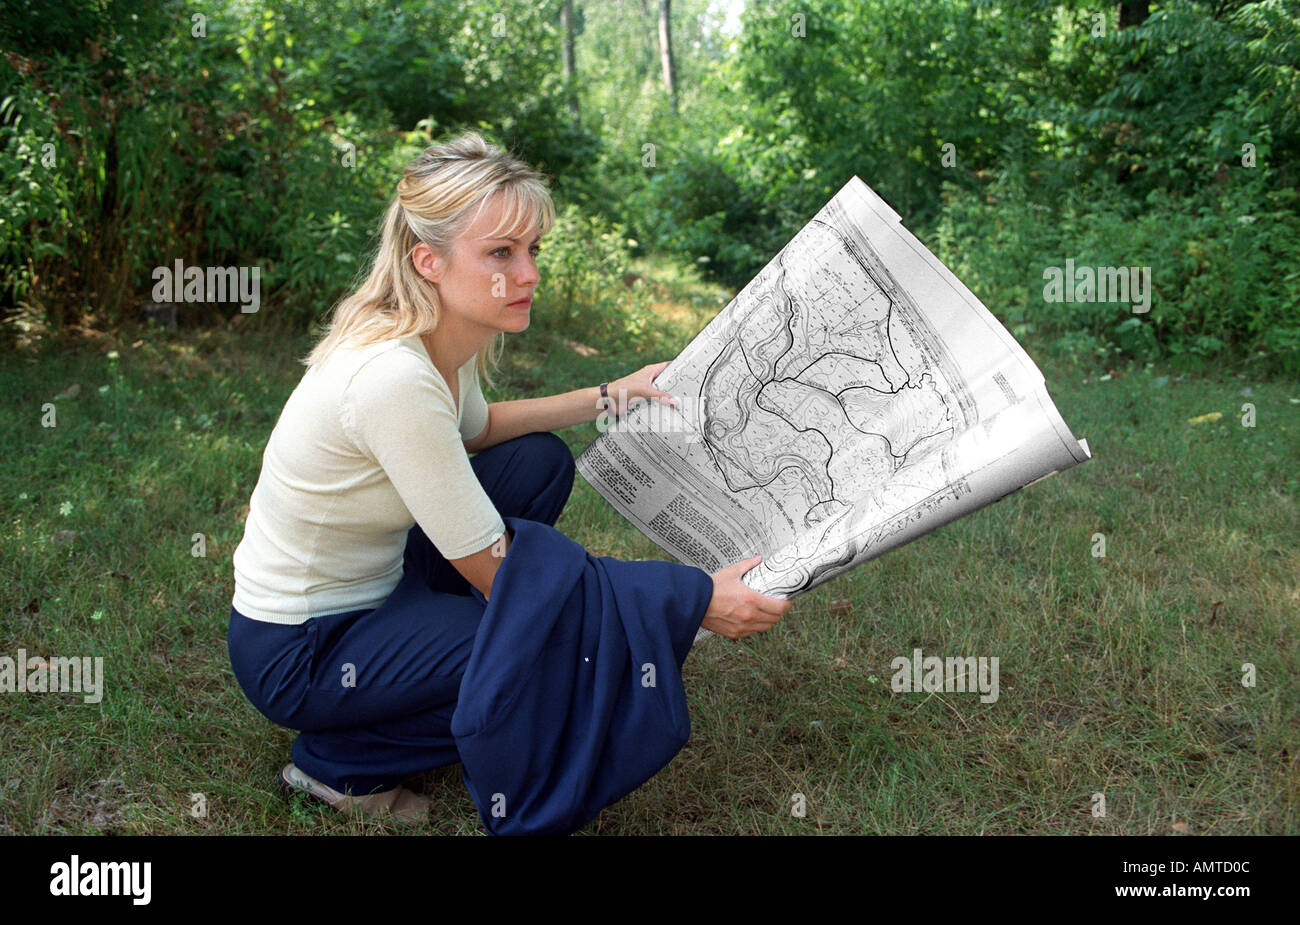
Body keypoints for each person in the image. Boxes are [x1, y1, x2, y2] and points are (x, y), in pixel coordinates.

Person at [226, 130, 792, 826]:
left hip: (378, 591)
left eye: (532, 251)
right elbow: (504, 573)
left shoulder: (430, 342)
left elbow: (477, 430)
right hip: (304, 648)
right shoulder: (392, 378)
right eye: (500, 253)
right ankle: (339, 765)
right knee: (538, 654)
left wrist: (610, 394)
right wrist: (690, 599)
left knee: (537, 462)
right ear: (426, 260)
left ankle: (429, 671)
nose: (527, 274)